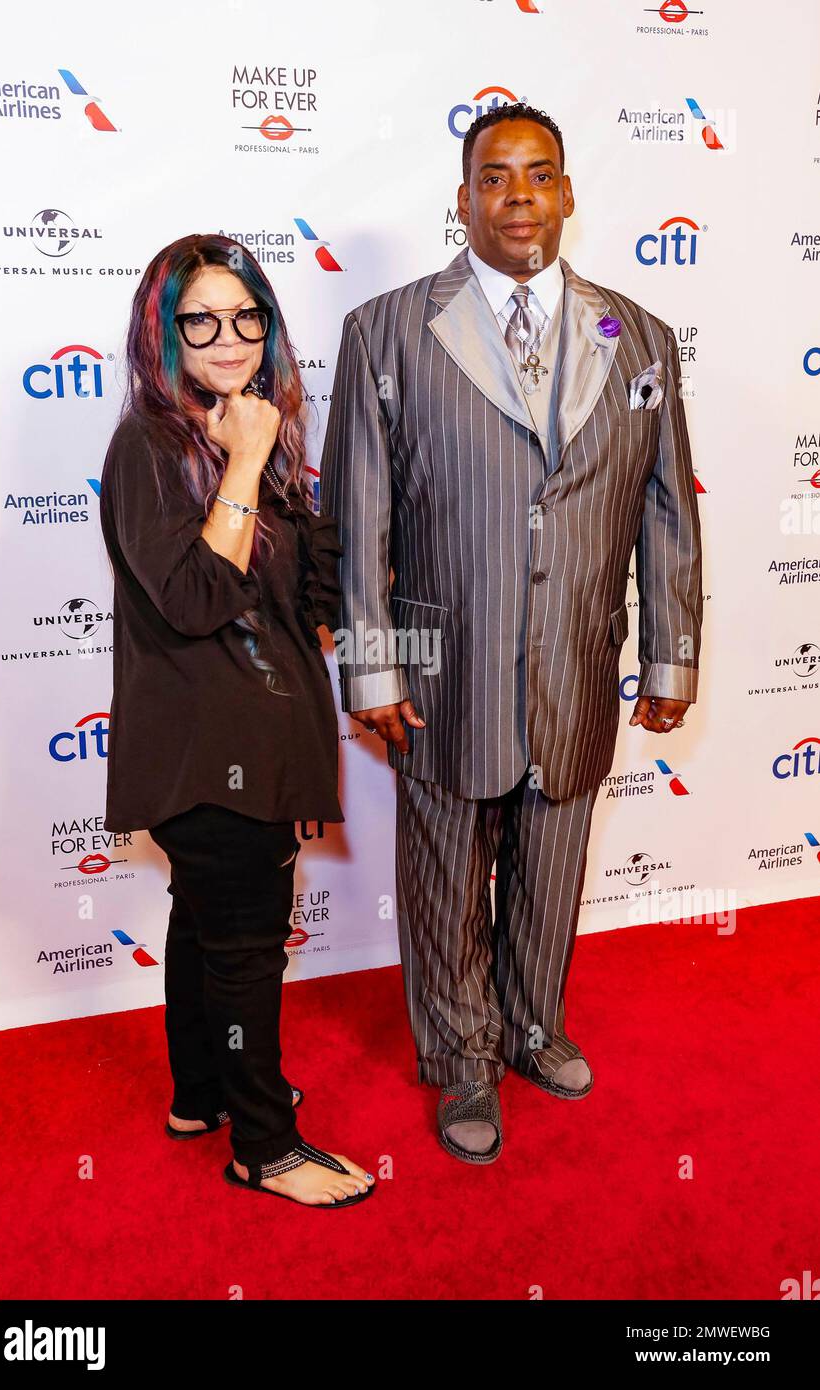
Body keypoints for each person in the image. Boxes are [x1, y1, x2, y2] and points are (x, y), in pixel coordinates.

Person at [320, 104, 702, 1163]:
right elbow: (356, 521)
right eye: (495, 177)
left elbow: (665, 509)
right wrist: (372, 667)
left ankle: (534, 1027)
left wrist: (668, 652)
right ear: (463, 199)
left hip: (578, 663)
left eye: (539, 175)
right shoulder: (386, 330)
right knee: (445, 877)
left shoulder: (637, 334)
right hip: (442, 667)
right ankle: (460, 1062)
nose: (519, 195)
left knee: (551, 859)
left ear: (568, 194)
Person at [99, 233, 375, 1207]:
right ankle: (265, 1144)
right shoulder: (151, 443)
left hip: (257, 739)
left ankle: (199, 1093)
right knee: (248, 949)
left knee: (205, 928)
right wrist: (247, 463)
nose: (228, 338)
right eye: (200, 320)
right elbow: (192, 598)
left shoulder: (260, 429)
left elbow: (309, 598)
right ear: (163, 333)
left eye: (245, 315)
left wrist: (337, 516)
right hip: (203, 752)